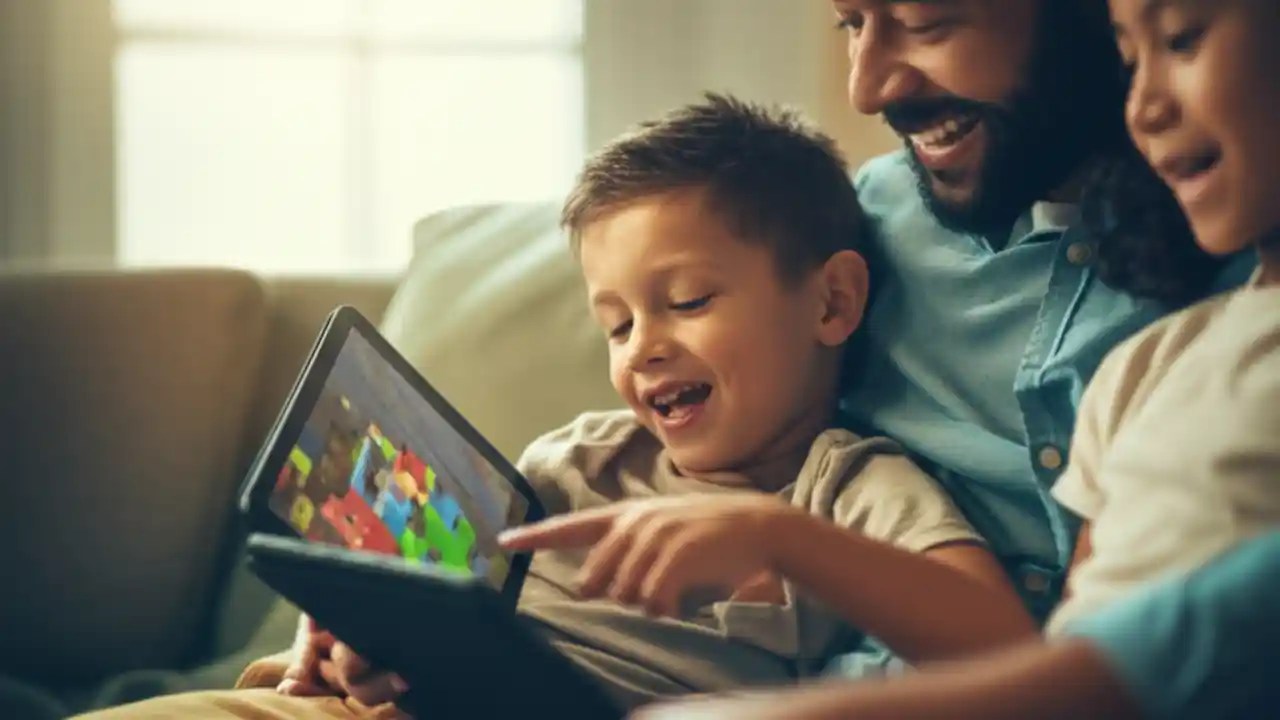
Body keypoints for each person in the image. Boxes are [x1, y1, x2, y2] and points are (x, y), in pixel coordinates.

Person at [78, 95, 1035, 719]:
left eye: (689, 302)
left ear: (831, 302)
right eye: (616, 325)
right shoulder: (573, 458)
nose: (645, 347)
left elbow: (1001, 643)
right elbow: (432, 598)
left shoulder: (847, 487)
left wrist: (775, 537)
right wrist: (354, 632)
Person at [631, 0, 1280, 716]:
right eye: (851, 26)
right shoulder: (857, 233)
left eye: (927, 22)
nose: (869, 88)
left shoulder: (1227, 248)